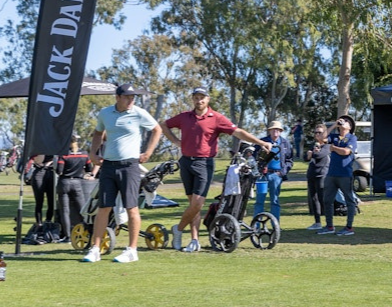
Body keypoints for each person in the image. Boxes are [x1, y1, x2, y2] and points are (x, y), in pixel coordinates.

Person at [161, 87, 270, 252]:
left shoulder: (216, 118)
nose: (199, 101)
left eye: (202, 98)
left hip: (204, 163)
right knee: (193, 204)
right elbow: (164, 125)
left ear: (208, 99)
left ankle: (178, 229)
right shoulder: (184, 117)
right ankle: (194, 240)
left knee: (197, 203)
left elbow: (238, 132)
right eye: (196, 97)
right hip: (185, 162)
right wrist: (177, 141)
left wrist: (261, 143)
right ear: (193, 99)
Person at [84, 83, 162, 264]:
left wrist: (149, 152)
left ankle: (132, 250)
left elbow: (157, 129)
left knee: (131, 207)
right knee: (104, 207)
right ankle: (95, 249)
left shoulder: (138, 113)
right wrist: (93, 153)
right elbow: (97, 133)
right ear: (117, 97)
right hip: (108, 166)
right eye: (127, 97)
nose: (130, 100)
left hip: (129, 166)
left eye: (133, 97)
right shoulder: (105, 113)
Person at [320, 115, 358, 236]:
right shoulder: (334, 136)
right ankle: (329, 226)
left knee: (349, 200)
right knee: (327, 200)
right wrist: (334, 125)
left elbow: (346, 152)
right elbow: (321, 138)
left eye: (346, 122)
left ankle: (349, 227)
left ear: (350, 127)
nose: (343, 122)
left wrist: (333, 148)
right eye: (342, 121)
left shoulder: (352, 138)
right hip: (331, 174)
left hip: (345, 175)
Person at [56, 136, 93, 244]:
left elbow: (59, 171)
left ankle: (68, 236)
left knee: (65, 211)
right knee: (82, 209)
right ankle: (88, 231)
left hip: (64, 183)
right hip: (77, 183)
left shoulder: (64, 155)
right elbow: (89, 169)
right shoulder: (84, 154)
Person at [254, 121, 293, 221]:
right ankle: (256, 226)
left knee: (275, 201)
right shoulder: (262, 141)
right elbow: (254, 156)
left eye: (278, 129)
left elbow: (289, 160)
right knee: (259, 201)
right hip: (262, 175)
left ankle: (275, 225)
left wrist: (283, 172)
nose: (275, 131)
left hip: (276, 175)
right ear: (269, 130)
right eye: (273, 129)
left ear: (280, 131)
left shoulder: (285, 143)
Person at [304, 123, 329, 230]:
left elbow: (319, 155)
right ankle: (317, 222)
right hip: (311, 174)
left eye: (320, 132)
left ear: (325, 134)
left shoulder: (327, 146)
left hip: (322, 175)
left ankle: (329, 223)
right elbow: (306, 157)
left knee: (322, 199)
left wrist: (311, 154)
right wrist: (310, 154)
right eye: (316, 132)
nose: (317, 134)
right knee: (314, 199)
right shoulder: (314, 145)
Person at [28, 155, 58, 229]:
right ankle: (39, 223)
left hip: (51, 172)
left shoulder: (55, 146)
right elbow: (35, 159)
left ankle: (48, 220)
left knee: (51, 201)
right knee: (39, 201)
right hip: (39, 172)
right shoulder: (38, 146)